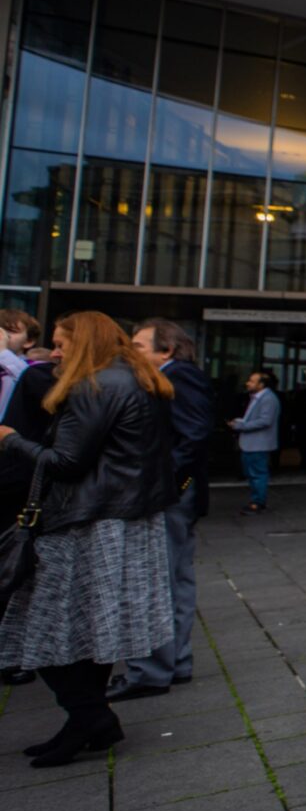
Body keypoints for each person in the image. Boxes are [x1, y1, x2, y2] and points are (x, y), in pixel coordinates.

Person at [0, 311, 177, 768]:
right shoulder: (140, 380)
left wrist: (10, 439)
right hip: (124, 518)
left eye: (62, 344)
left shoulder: (95, 386)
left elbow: (66, 462)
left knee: (42, 628)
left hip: (87, 521)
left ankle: (90, 717)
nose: (55, 354)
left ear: (85, 344)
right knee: (91, 631)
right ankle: (88, 722)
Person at [108, 318, 214, 701]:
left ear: (166, 349)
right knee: (175, 578)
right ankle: (175, 661)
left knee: (158, 579)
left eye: (138, 346)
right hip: (175, 493)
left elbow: (194, 433)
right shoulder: (173, 377)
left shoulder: (179, 377)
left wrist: (164, 482)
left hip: (168, 495)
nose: (131, 352)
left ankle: (153, 669)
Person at [0, 309, 55, 687]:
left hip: (16, 486)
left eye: (10, 330)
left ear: (30, 340)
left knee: (14, 569)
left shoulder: (30, 374)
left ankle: (12, 654)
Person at [228, 369, 279, 514]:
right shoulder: (256, 398)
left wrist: (241, 426)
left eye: (252, 381)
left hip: (258, 444)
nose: (248, 383)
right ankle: (257, 500)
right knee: (252, 473)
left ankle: (258, 502)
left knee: (257, 474)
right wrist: (240, 422)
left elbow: (265, 421)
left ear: (261, 384)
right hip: (252, 443)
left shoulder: (268, 399)